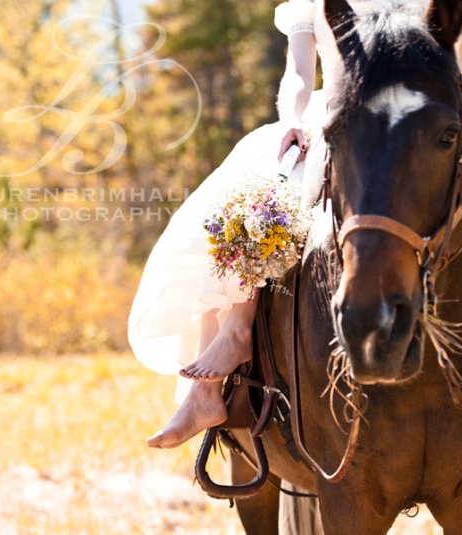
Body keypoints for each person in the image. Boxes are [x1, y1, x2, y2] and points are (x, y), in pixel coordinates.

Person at [128, 0, 342, 448]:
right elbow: (301, 74)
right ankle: (211, 376)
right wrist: (292, 121)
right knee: (251, 187)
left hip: (391, 123)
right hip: (327, 117)